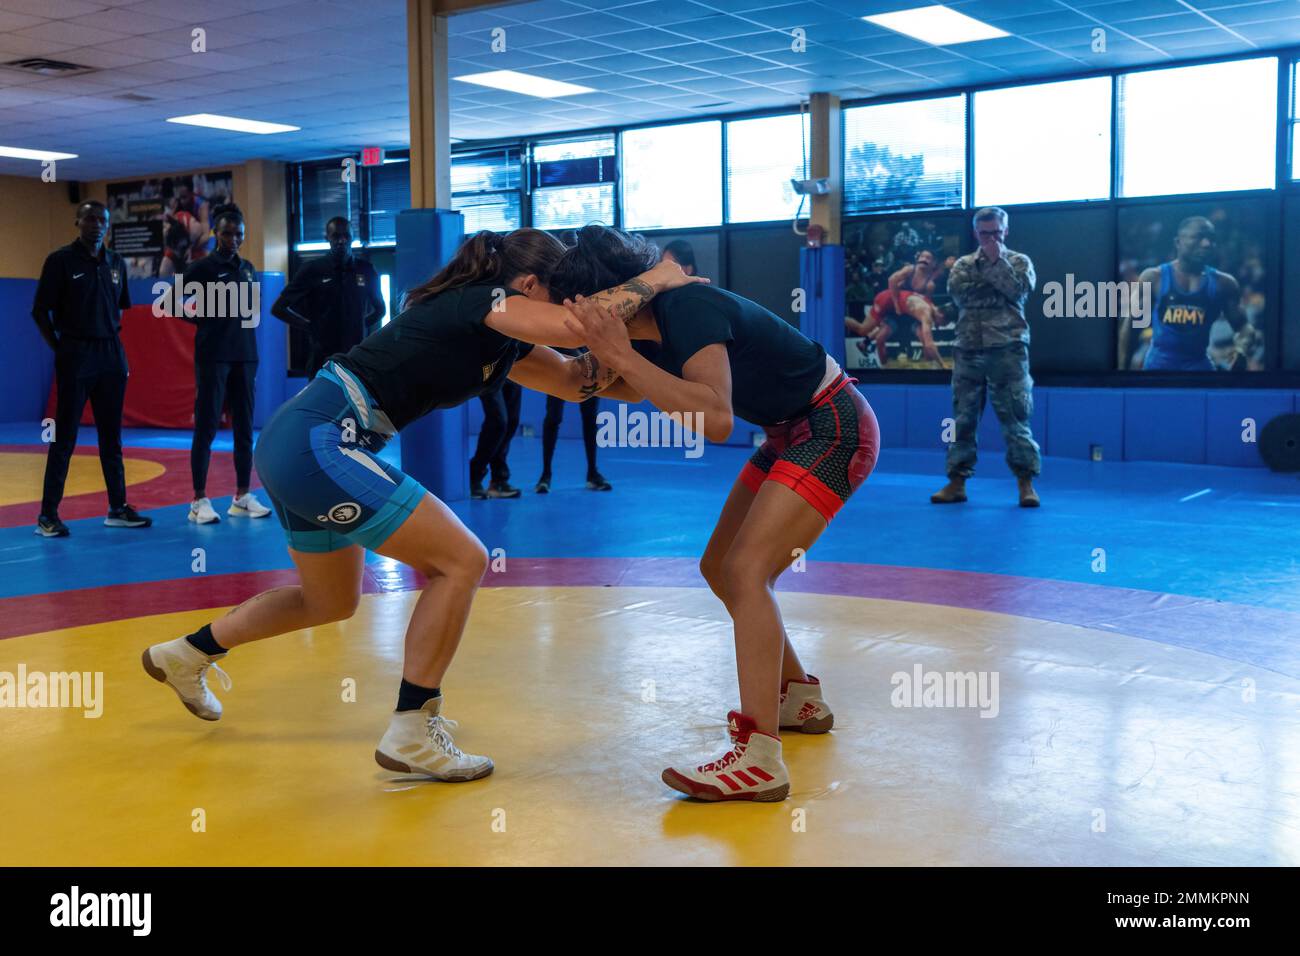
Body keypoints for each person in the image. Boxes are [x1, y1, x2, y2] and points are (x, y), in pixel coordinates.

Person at [141, 228, 702, 782]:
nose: (561, 309)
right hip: (320, 440)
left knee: (328, 601)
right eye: (556, 296)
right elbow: (580, 325)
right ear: (529, 284)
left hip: (301, 444)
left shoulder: (502, 340)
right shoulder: (481, 300)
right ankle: (413, 726)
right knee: (462, 560)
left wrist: (657, 354)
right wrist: (659, 275)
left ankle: (187, 654)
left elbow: (579, 380)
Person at [551, 225, 880, 803]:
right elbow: (588, 382)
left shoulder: (688, 306)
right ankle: (798, 694)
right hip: (792, 431)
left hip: (834, 425)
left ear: (614, 301)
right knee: (721, 566)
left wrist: (621, 353)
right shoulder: (653, 329)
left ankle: (759, 760)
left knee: (748, 572)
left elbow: (716, 418)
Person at [31, 200, 152, 537]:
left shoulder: (116, 263)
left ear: (108, 225)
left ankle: (117, 508)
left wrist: (110, 343)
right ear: (77, 221)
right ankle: (47, 516)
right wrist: (61, 348)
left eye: (102, 219)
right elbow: (40, 312)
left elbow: (120, 308)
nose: (96, 224)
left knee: (111, 437)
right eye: (89, 218)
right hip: (76, 353)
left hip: (111, 355)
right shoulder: (60, 261)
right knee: (65, 438)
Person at [931, 207, 1041, 508]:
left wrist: (995, 263)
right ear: (976, 234)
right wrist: (996, 285)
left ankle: (1026, 484)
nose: (991, 238)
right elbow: (961, 295)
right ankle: (956, 482)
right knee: (962, 418)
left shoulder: (1019, 262)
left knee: (1016, 418)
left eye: (996, 232)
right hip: (968, 350)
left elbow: (1017, 291)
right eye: (984, 234)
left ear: (1005, 231)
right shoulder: (963, 265)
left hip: (1008, 350)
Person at [174, 203, 271, 524]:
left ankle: (242, 495)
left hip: (245, 356)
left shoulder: (247, 268)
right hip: (213, 357)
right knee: (207, 427)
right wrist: (201, 317)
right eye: (228, 233)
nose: (234, 239)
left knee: (245, 429)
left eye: (239, 234)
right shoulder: (202, 268)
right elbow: (171, 301)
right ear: (216, 233)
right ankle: (198, 500)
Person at [1118, 216, 1246, 372]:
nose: (1206, 244)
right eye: (1198, 237)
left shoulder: (1224, 283)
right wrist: (1121, 372)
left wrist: (1242, 351)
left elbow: (1243, 327)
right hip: (1157, 368)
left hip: (1198, 368)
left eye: (1211, 238)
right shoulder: (1153, 277)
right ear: (1178, 242)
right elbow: (1130, 327)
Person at [271, 216, 385, 379]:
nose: (341, 241)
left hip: (354, 356)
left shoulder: (366, 270)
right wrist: (311, 326)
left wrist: (359, 326)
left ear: (352, 238)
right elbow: (278, 308)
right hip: (322, 357)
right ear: (327, 238)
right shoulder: (312, 269)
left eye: (346, 236)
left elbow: (380, 310)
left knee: (354, 404)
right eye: (336, 236)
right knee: (319, 403)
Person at [536, 347, 610, 494]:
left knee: (590, 419)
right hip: (561, 366)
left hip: (590, 364)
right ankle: (545, 475)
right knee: (553, 417)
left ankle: (593, 473)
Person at [469, 377, 523, 499]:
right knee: (498, 421)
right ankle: (474, 476)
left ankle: (498, 480)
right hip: (489, 370)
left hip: (515, 368)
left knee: (512, 422)